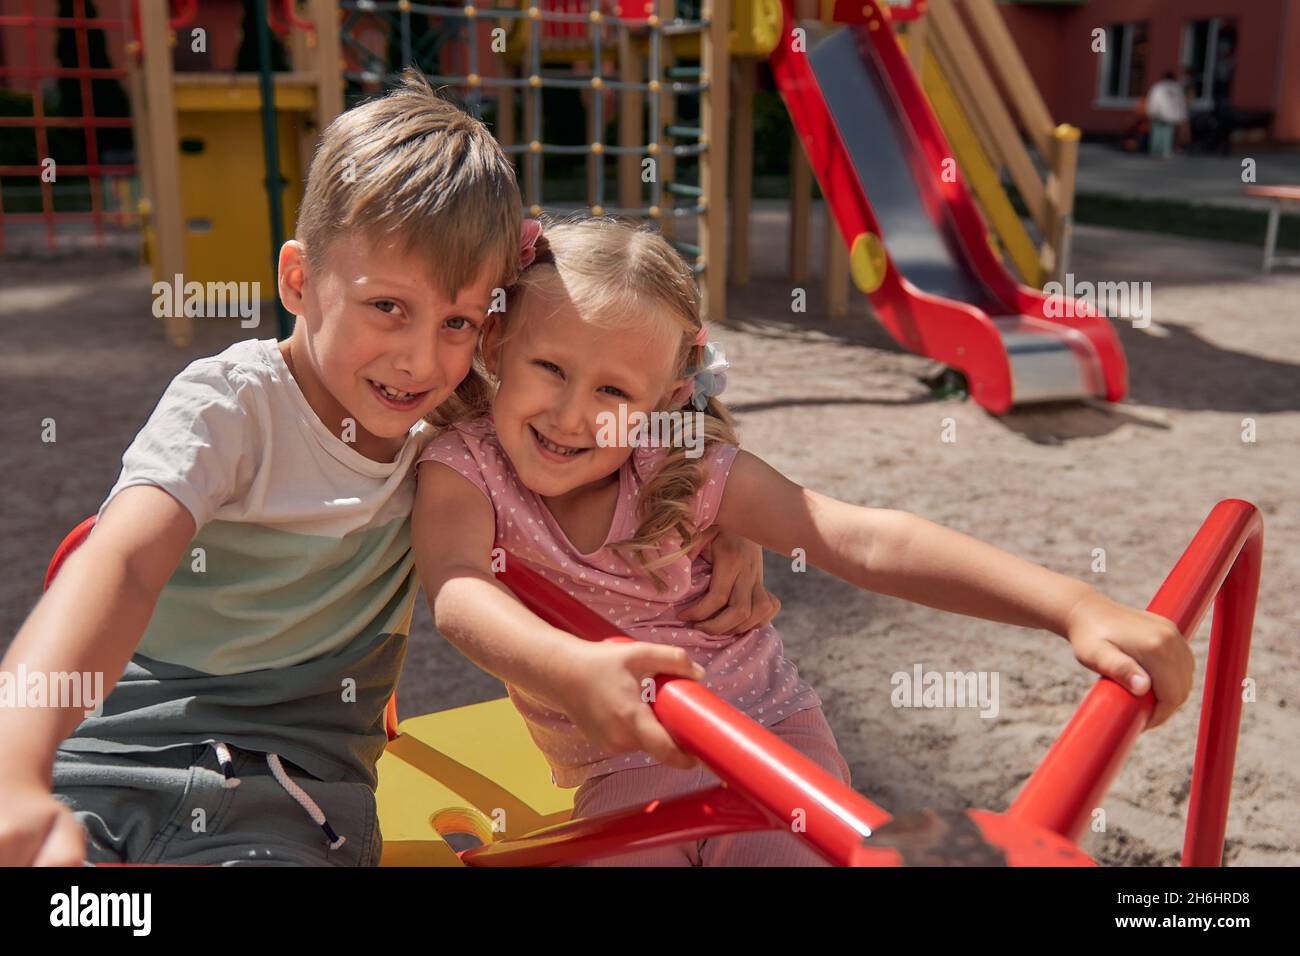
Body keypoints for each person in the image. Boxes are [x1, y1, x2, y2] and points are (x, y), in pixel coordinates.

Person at [0, 71, 779, 867]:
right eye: (387, 308)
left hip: (285, 800)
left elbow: (630, 400)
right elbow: (121, 563)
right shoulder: (229, 408)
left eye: (457, 322)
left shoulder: (455, 440)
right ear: (299, 280)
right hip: (104, 765)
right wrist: (15, 770)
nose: (418, 360)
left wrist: (711, 518)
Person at [413, 217, 1196, 866]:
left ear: (668, 398)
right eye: (550, 367)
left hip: (768, 736)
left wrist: (1075, 606)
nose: (573, 414)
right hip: (622, 764)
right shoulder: (466, 467)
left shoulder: (679, 466)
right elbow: (456, 584)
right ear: (496, 346)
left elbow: (859, 539)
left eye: (614, 390)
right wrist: (569, 667)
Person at [1145, 71, 1188, 158]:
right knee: (1167, 134)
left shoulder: (1158, 86)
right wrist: (1182, 116)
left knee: (1156, 133)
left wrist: (1150, 111)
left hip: (1157, 114)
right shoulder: (1176, 87)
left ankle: (1155, 151)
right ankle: (1165, 152)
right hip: (1170, 115)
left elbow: (1152, 100)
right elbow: (1181, 102)